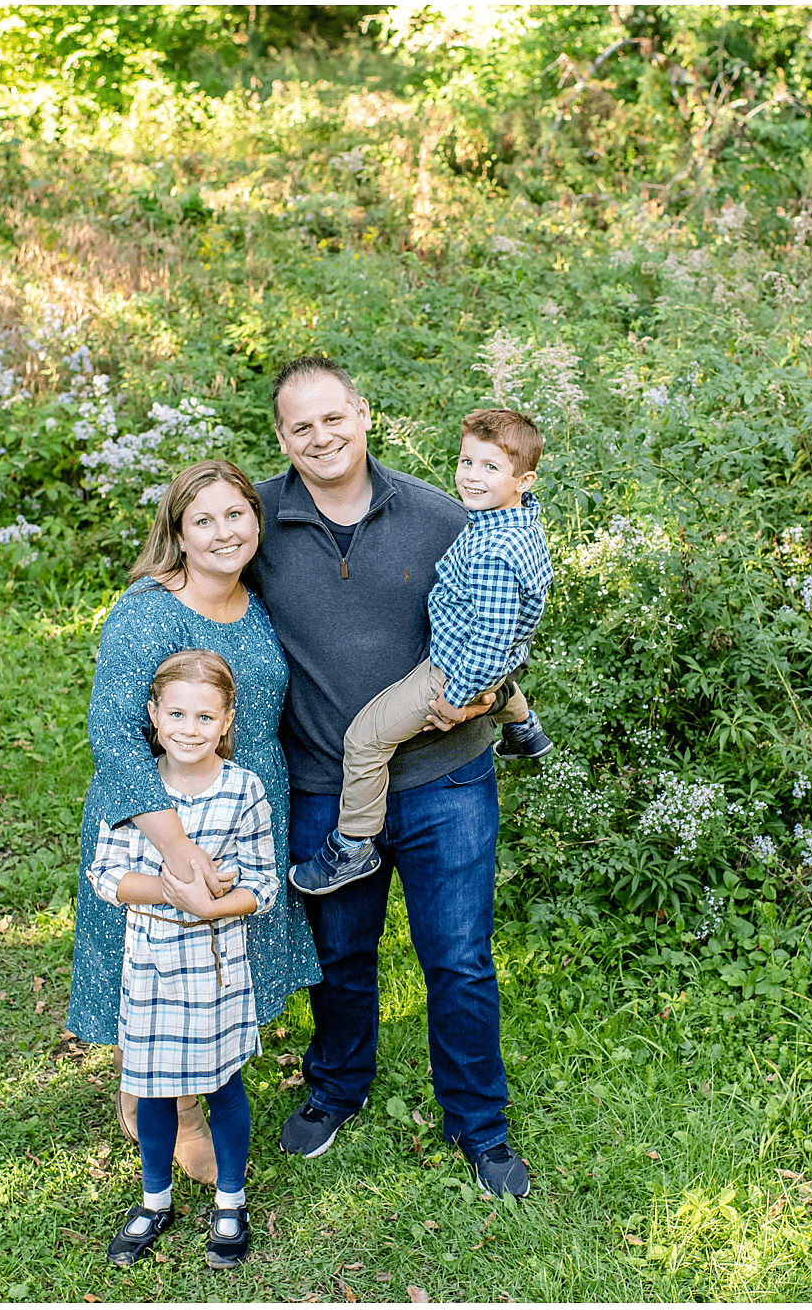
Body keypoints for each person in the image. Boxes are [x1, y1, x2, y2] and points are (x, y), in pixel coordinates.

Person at [248, 355, 531, 1198]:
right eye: (301, 426)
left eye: (334, 418)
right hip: (322, 784)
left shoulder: (447, 516)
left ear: (363, 413)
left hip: (446, 780)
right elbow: (199, 590)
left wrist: (488, 693)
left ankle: (479, 1127)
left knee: (460, 961)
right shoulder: (257, 519)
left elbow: (510, 614)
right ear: (282, 437)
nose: (321, 436)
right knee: (340, 954)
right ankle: (337, 1087)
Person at [66, 459, 321, 1185]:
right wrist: (174, 849)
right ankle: (165, 1104)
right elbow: (113, 734)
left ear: (256, 520)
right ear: (178, 532)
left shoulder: (259, 602)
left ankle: (205, 1076)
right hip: (159, 813)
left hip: (243, 806)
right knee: (161, 959)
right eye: (202, 520)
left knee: (215, 964)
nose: (222, 533)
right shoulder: (146, 611)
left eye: (235, 515)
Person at [292, 407, 554, 896]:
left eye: (490, 468)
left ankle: (353, 843)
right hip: (493, 660)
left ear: (524, 479)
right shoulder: (516, 524)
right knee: (503, 675)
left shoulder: (493, 552)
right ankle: (524, 728)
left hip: (450, 669)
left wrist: (457, 696)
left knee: (365, 740)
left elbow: (492, 639)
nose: (471, 477)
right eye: (466, 462)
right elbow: (509, 635)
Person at [86, 649, 272, 1268]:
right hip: (154, 968)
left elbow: (263, 885)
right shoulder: (136, 792)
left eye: (204, 717)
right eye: (177, 714)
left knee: (224, 1086)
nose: (189, 729)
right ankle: (154, 1199)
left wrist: (212, 905)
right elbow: (107, 877)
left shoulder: (244, 790)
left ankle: (230, 1201)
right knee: (154, 1088)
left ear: (225, 722)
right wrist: (171, 890)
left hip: (217, 969)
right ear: (153, 715)